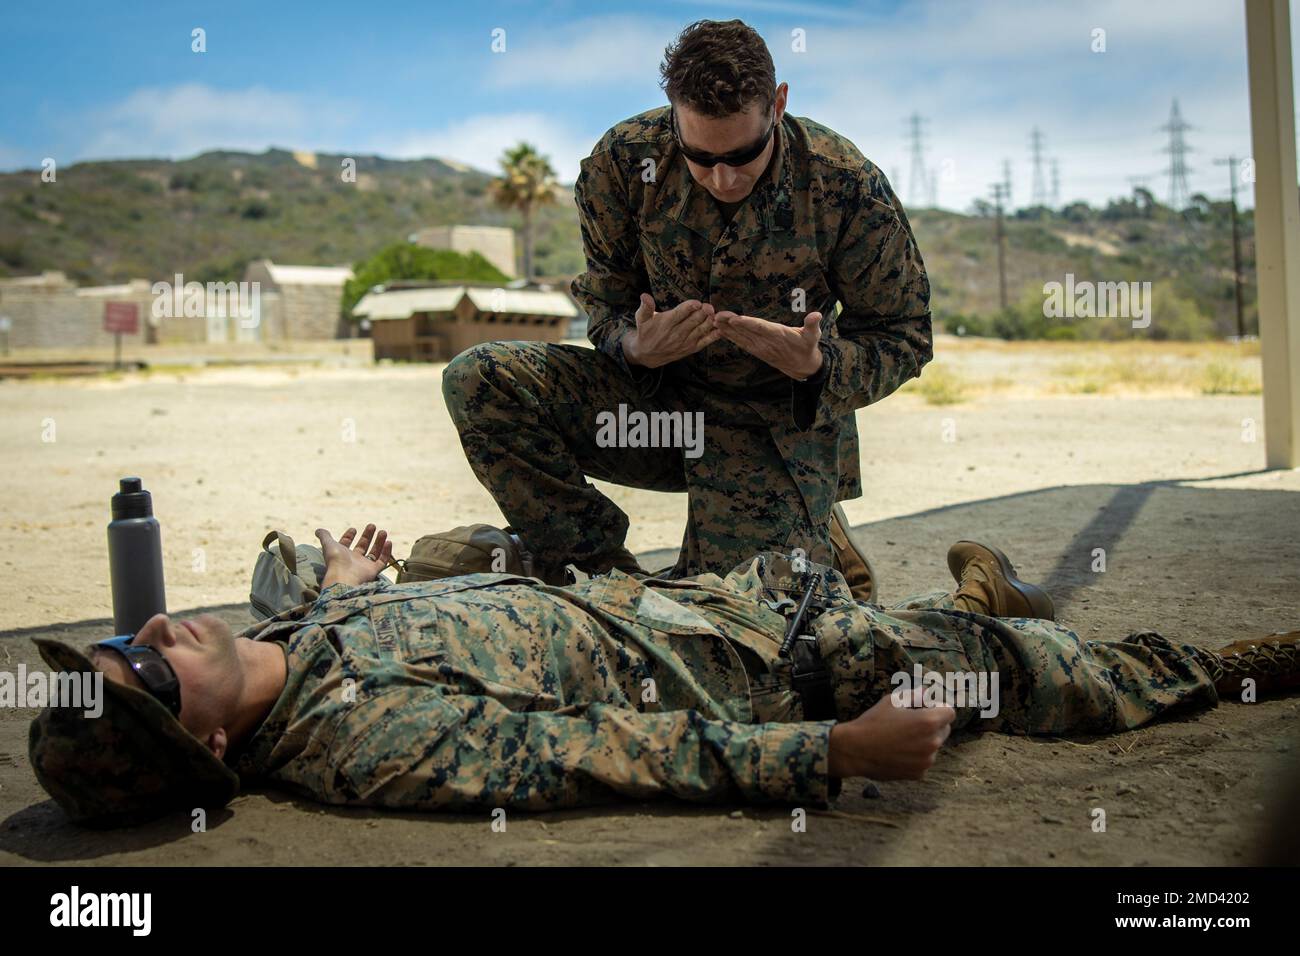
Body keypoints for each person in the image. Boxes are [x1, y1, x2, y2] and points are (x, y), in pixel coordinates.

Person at [28, 522, 1298, 827]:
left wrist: (354, 591)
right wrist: (836, 754)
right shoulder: (364, 743)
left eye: (122, 640)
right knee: (1046, 677)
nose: (154, 639)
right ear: (201, 750)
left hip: (710, 594)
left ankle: (949, 595)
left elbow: (301, 598)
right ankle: (1211, 663)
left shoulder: (297, 625)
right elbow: (612, 756)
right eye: (147, 672)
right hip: (779, 670)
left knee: (439, 551)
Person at [442, 18, 930, 600]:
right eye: (699, 156)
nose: (722, 178)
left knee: (743, 616)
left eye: (743, 154)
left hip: (772, 424)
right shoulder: (623, 163)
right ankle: (593, 568)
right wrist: (633, 345)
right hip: (656, 410)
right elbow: (606, 300)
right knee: (480, 378)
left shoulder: (845, 185)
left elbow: (904, 334)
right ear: (672, 112)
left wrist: (819, 366)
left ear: (778, 104)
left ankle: (806, 515)